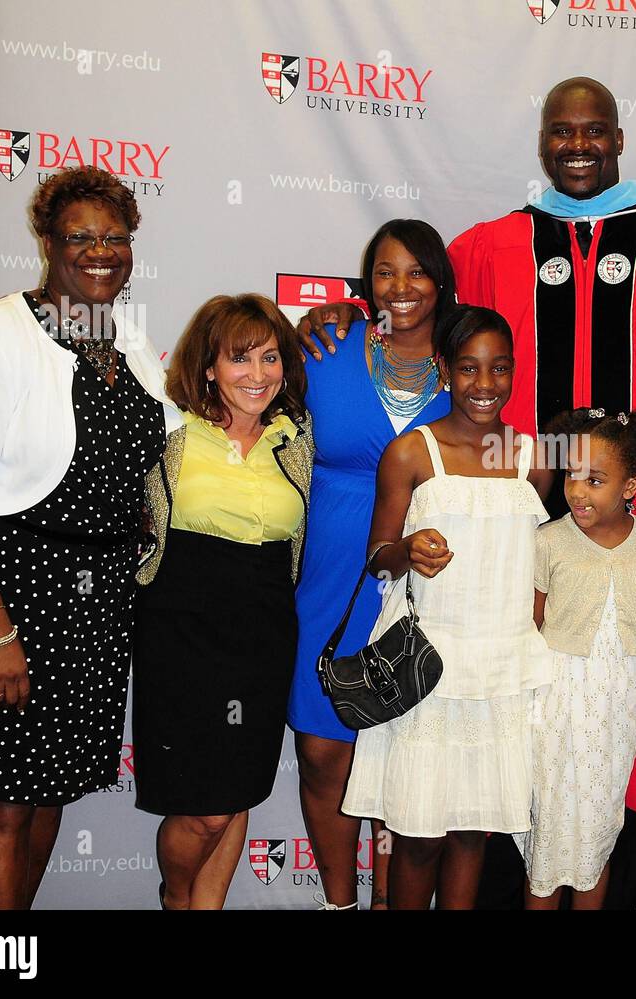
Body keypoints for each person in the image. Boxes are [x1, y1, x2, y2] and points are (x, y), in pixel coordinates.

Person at [302, 78, 636, 906]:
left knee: (618, 731)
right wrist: (340, 314)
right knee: (509, 738)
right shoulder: (493, 245)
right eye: (562, 132)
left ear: (621, 138)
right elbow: (413, 301)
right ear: (543, 143)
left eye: (594, 131)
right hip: (510, 552)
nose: (579, 145)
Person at [0, 166, 179, 908]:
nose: (100, 251)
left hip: (91, 606)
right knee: (3, 795)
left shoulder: (127, 339)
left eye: (115, 237)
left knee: (50, 785)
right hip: (7, 591)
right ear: (48, 241)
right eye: (80, 236)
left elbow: (181, 439)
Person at [341, 305, 555, 909]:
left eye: (499, 369)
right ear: (443, 369)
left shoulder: (532, 460)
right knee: (415, 837)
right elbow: (377, 558)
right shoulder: (411, 453)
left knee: (472, 831)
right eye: (467, 368)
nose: (484, 385)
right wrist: (406, 550)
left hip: (502, 671)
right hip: (426, 668)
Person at [286, 220, 455, 910]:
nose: (402, 287)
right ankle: (339, 900)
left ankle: (393, 900)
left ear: (441, 282)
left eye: (417, 271)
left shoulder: (468, 364)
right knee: (325, 751)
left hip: (431, 580)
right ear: (365, 284)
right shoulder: (324, 349)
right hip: (332, 574)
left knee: (404, 752)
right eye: (385, 272)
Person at [132, 294, 311, 910]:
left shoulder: (296, 437)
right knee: (204, 810)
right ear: (208, 367)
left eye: (269, 358)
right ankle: (177, 899)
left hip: (264, 635)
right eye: (239, 359)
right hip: (182, 637)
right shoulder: (169, 429)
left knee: (237, 796)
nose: (257, 375)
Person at [521, 407, 636, 909]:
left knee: (597, 831)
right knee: (548, 832)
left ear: (631, 486)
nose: (578, 490)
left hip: (615, 713)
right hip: (552, 708)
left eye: (596, 480)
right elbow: (530, 625)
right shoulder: (547, 541)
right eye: (571, 475)